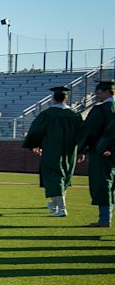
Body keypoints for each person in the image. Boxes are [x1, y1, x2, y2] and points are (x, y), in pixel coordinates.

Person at [22, 86, 83, 217]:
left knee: (54, 177)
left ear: (53, 99)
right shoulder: (75, 115)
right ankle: (54, 204)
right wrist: (82, 150)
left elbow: (36, 131)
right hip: (70, 152)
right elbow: (82, 134)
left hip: (51, 150)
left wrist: (34, 145)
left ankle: (61, 208)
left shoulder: (47, 115)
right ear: (66, 99)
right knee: (64, 177)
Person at [77, 80, 115, 227]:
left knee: (103, 182)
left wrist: (82, 149)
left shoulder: (100, 110)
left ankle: (105, 219)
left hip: (102, 152)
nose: (96, 95)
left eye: (98, 93)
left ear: (107, 92)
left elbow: (89, 131)